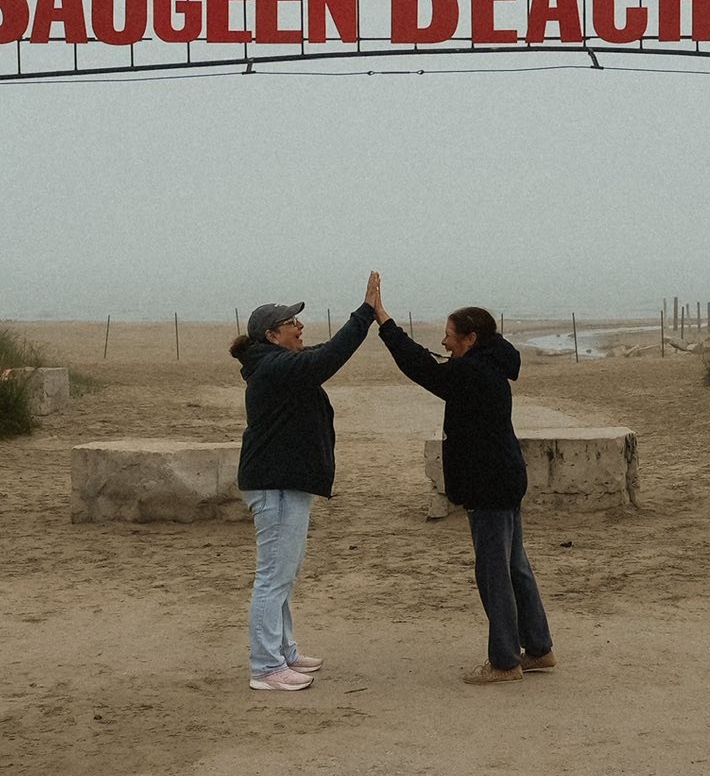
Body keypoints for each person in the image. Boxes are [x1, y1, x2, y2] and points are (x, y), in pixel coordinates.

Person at [368, 275, 555, 685]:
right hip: (503, 478)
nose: (444, 342)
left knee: (495, 572)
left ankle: (505, 661)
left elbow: (422, 367)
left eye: (450, 336)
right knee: (514, 566)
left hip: (489, 484)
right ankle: (539, 648)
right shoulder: (489, 364)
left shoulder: (472, 374)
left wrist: (385, 321)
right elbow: (433, 365)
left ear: (470, 338)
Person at [231, 274, 378, 692]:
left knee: (284, 571)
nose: (300, 326)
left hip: (285, 481)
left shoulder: (276, 363)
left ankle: (283, 650)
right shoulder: (275, 366)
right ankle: (265, 667)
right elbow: (326, 358)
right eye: (291, 323)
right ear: (271, 335)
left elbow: (321, 354)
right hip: (275, 484)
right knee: (273, 575)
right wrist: (364, 313)